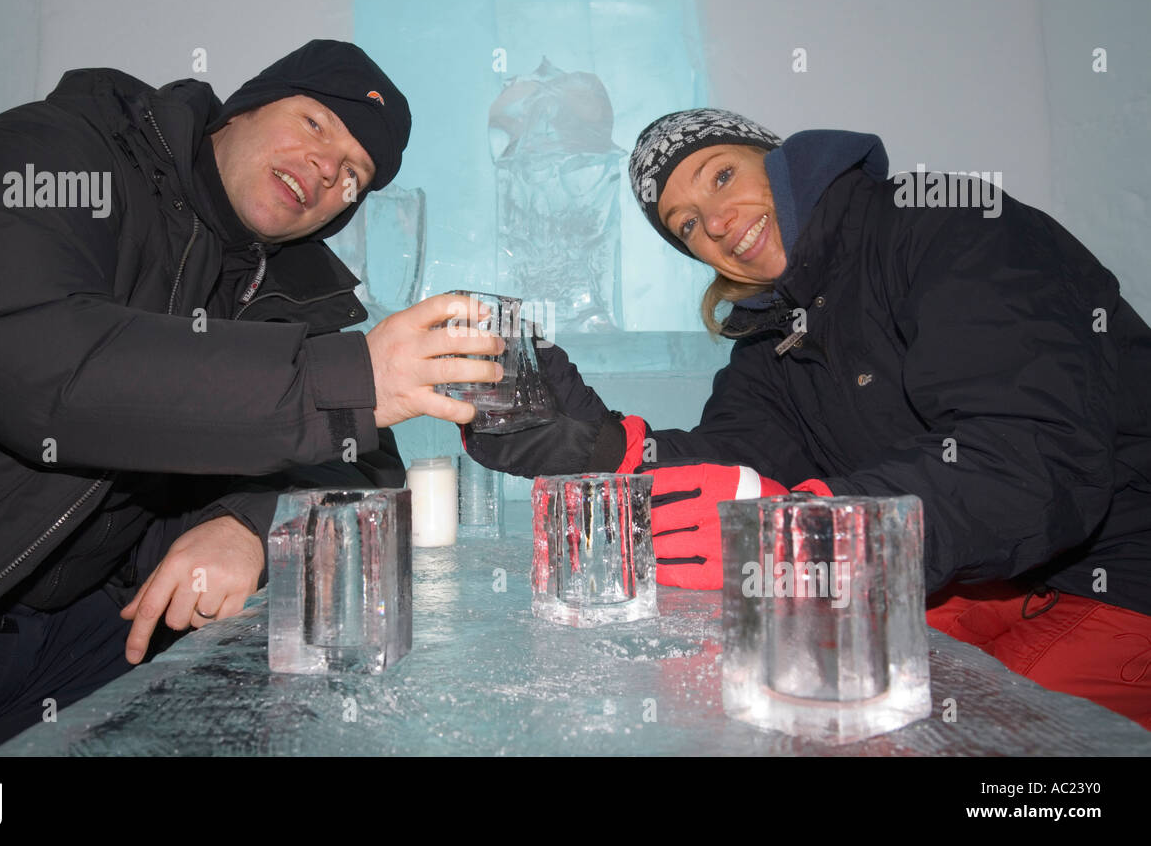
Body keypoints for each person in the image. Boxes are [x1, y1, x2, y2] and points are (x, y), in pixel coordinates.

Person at [0, 39, 503, 755]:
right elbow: (33, 365)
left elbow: (361, 460)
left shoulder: (279, 288)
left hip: (86, 627)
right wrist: (346, 380)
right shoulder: (51, 155)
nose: (327, 168)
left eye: (354, 172)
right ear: (242, 109)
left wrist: (248, 524)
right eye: (316, 124)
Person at [466, 108, 1151, 730]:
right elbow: (739, 460)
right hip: (967, 575)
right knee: (764, 702)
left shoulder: (952, 228)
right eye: (686, 226)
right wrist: (601, 445)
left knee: (976, 740)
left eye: (722, 176)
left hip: (1119, 573)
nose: (716, 222)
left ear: (780, 156)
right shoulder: (776, 336)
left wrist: (812, 535)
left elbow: (1028, 460)